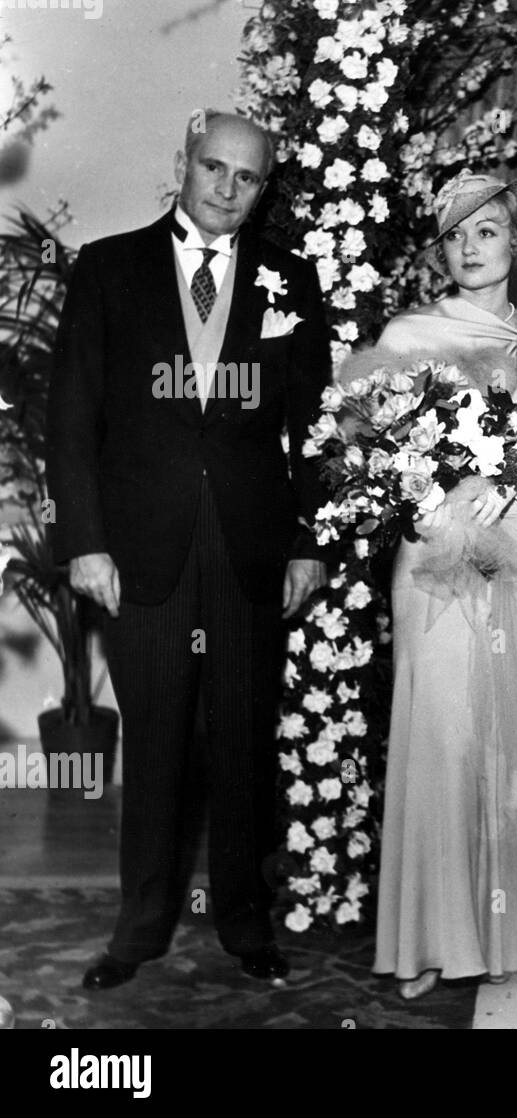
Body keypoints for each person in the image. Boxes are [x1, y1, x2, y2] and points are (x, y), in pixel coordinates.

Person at [47, 111, 331, 989]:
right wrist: (85, 545)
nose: (226, 189)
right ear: (184, 162)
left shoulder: (290, 277)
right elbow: (70, 419)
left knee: (245, 745)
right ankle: (138, 932)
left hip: (248, 546)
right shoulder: (109, 266)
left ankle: (247, 926)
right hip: (143, 552)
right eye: (214, 168)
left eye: (247, 179)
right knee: (158, 744)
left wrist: (308, 543)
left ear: (263, 186)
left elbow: (314, 427)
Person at [368, 171, 517, 997]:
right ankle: (437, 938)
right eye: (455, 234)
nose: (470, 247)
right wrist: (421, 491)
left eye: (487, 231)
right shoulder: (405, 334)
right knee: (445, 732)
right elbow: (370, 449)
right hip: (435, 547)